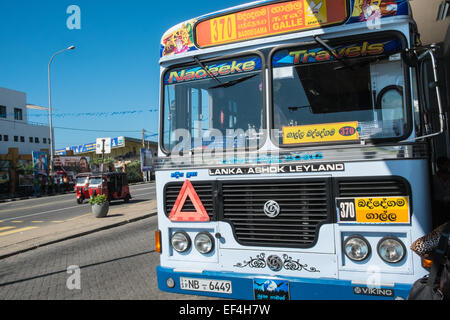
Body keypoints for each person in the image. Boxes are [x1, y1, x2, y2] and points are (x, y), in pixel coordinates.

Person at [432, 157, 450, 227]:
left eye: (447, 164)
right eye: (445, 164)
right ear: (439, 165)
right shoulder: (433, 178)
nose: (447, 166)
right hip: (438, 205)